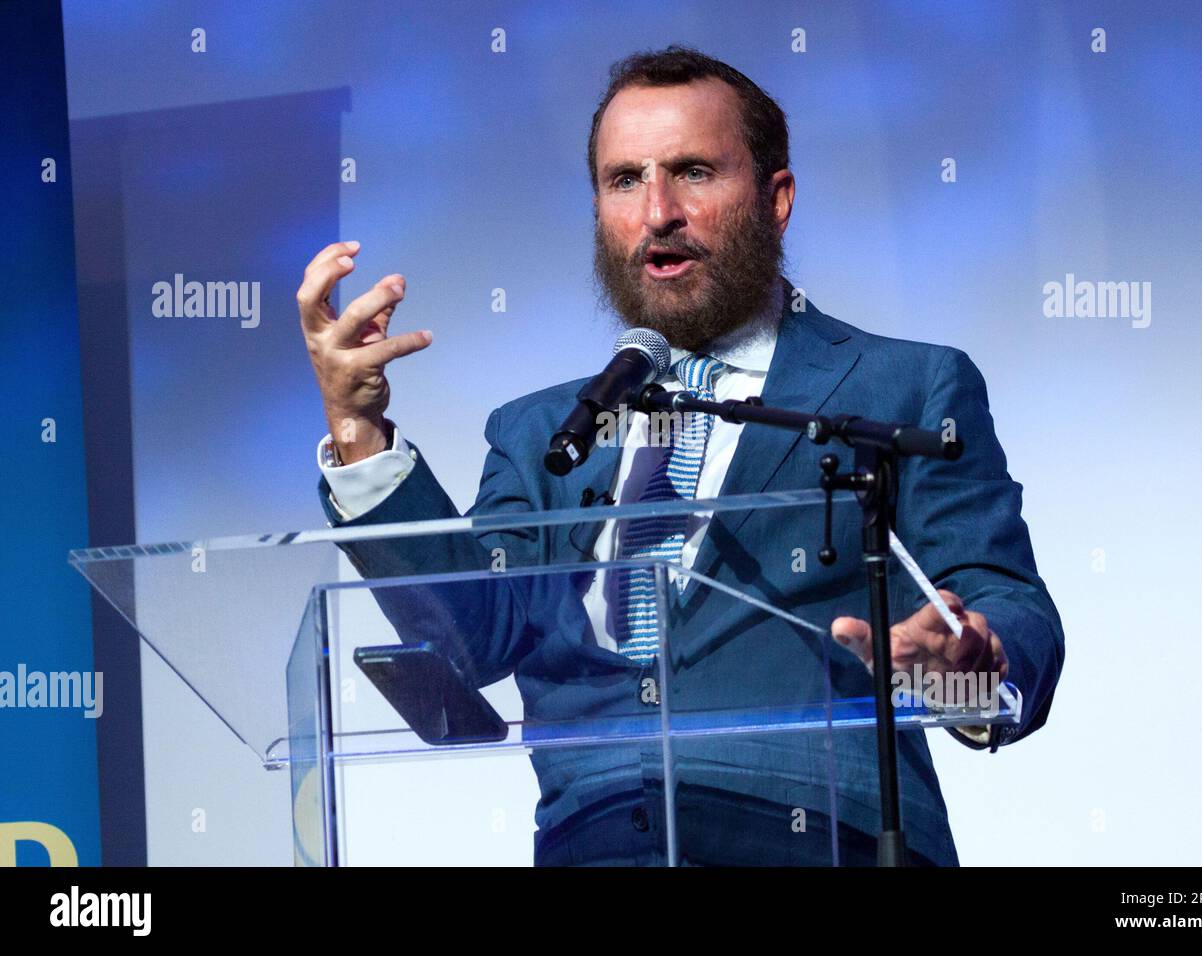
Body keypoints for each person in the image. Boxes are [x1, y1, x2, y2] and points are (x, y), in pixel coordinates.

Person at [296, 46, 1064, 866]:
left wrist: (961, 672)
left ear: (777, 199)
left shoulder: (902, 389)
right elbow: (471, 636)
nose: (658, 210)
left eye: (693, 172)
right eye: (625, 180)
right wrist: (358, 429)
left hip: (822, 842)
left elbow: (1009, 616)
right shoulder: (538, 432)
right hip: (599, 844)